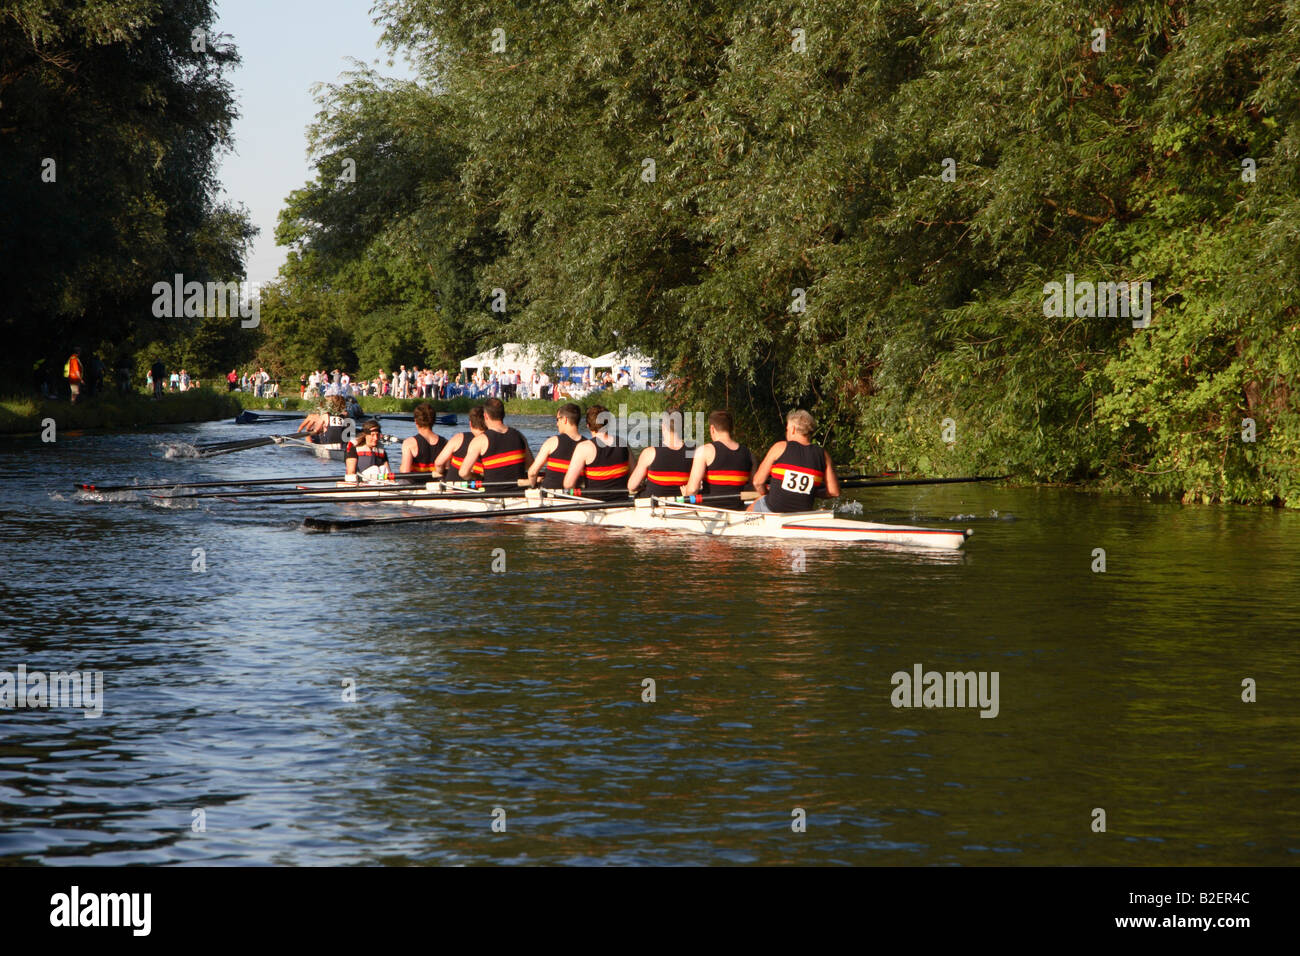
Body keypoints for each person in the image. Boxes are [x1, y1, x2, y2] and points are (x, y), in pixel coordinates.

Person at [749, 409, 841, 513]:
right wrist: (813, 491)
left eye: (787, 429)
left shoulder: (779, 447)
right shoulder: (824, 455)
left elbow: (757, 482)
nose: (786, 432)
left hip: (774, 510)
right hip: (804, 513)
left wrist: (765, 494)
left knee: (755, 504)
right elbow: (834, 492)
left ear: (792, 429)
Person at [683, 410, 755, 510]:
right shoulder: (748, 453)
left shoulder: (705, 451)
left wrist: (685, 497)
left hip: (710, 514)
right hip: (737, 512)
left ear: (712, 429)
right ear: (731, 428)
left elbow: (692, 489)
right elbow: (754, 487)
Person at [563, 405, 629, 500]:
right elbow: (633, 477)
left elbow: (568, 484)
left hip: (594, 503)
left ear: (588, 426)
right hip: (622, 501)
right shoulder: (623, 443)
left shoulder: (584, 447)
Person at [459, 396, 532, 483]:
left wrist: (477, 476)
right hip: (518, 492)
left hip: (492, 492)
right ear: (503, 414)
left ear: (485, 416)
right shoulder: (519, 435)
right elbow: (530, 465)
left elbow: (463, 473)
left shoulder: (479, 441)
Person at [628, 408, 690, 498]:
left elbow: (631, 486)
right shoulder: (694, 453)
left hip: (653, 505)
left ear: (663, 426)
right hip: (680, 504)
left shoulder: (649, 453)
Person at [528, 403, 584, 490]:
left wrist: (533, 487)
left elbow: (532, 472)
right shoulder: (588, 444)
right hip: (576, 496)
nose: (557, 424)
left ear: (565, 419)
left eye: (557, 419)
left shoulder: (552, 442)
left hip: (550, 496)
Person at [433, 405, 486, 478]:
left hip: (453, 485)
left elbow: (438, 463)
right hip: (480, 486)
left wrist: (442, 473)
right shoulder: (492, 441)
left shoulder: (458, 438)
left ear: (470, 424)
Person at [399, 403, 448, 473]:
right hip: (436, 482)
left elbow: (405, 471)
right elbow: (447, 469)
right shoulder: (445, 442)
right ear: (434, 421)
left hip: (416, 483)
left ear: (416, 422)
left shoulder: (409, 443)